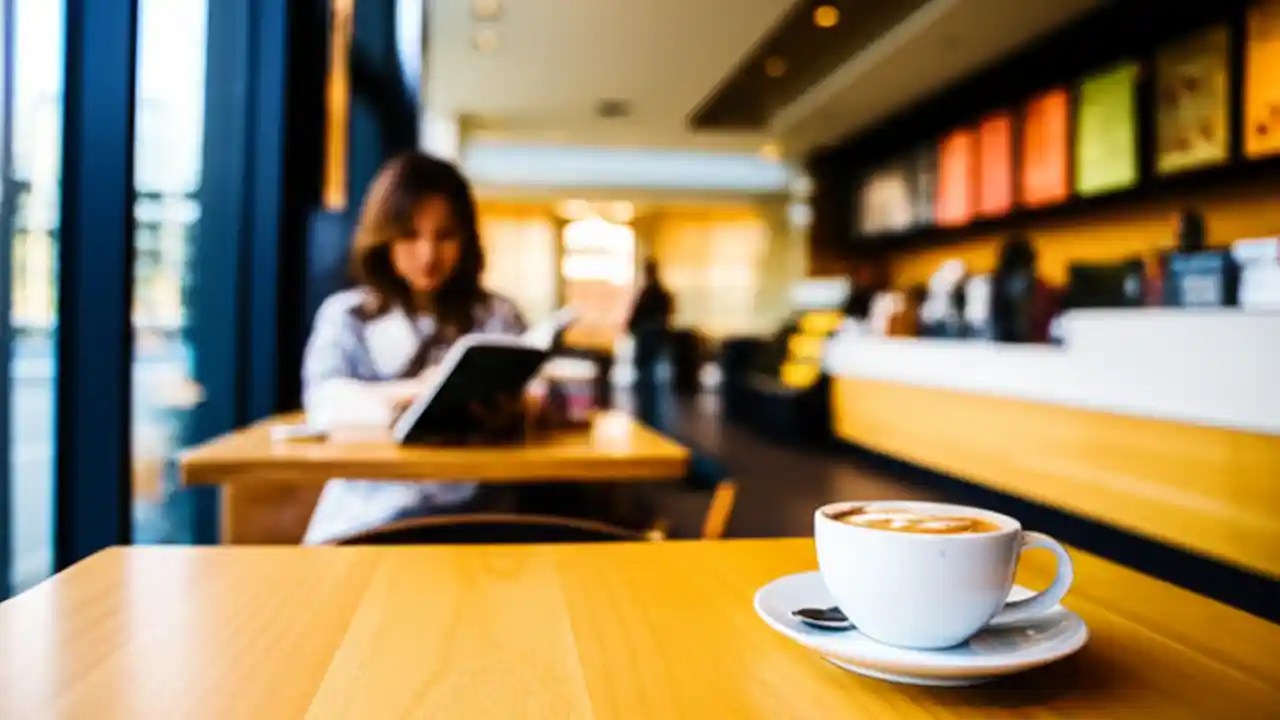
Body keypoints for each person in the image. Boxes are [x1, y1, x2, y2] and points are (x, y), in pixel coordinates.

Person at [300, 151, 529, 543]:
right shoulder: (346, 316)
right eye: (409, 235)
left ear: (467, 239)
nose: (428, 255)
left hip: (478, 521)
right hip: (368, 516)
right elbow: (322, 403)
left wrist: (523, 404)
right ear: (382, 238)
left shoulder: (496, 315)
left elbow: (532, 394)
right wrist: (416, 391)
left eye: (445, 236)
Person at [627, 259, 673, 388]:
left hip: (649, 335)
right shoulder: (653, 292)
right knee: (648, 370)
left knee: (647, 370)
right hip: (651, 335)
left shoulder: (652, 292)